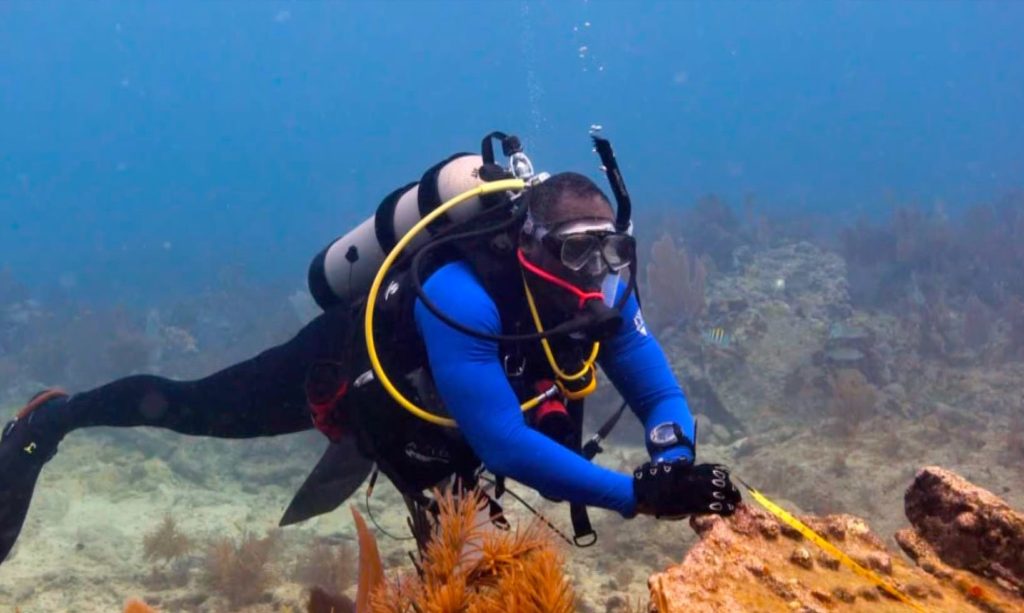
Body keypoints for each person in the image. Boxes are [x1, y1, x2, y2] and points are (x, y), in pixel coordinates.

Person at [0, 139, 740, 565]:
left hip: (452, 418)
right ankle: (57, 417)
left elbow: (659, 396)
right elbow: (503, 443)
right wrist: (638, 495)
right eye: (578, 253)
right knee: (194, 407)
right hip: (347, 375)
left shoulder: (606, 289)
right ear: (530, 248)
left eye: (610, 252)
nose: (597, 276)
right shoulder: (461, 292)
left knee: (469, 556)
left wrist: (672, 462)